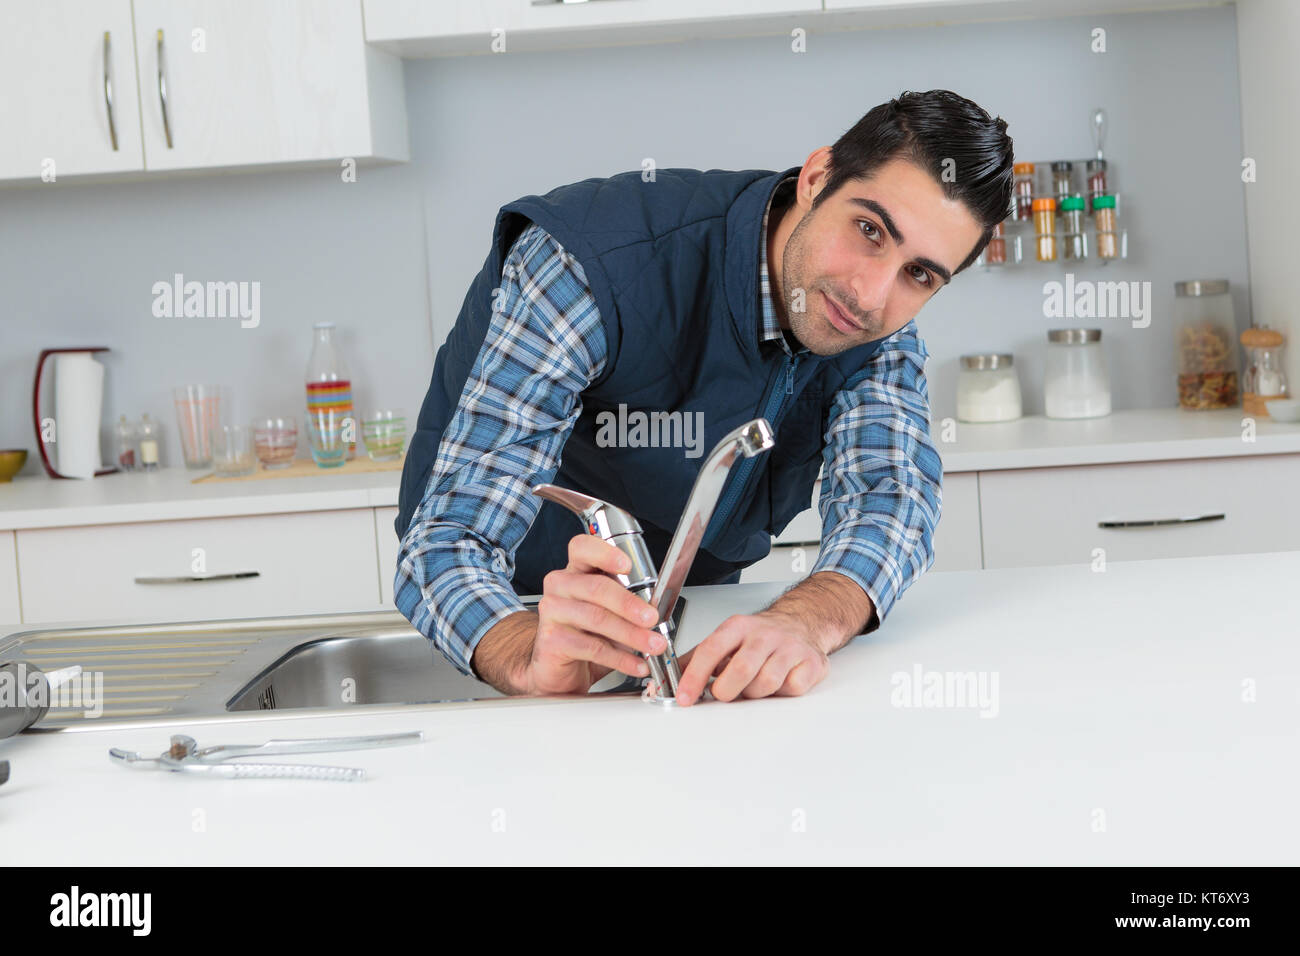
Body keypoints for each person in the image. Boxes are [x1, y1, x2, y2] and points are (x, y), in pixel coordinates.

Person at [395, 89, 1014, 706]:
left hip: (682, 636)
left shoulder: (874, 325)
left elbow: (891, 498)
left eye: (920, 274)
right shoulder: (588, 266)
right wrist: (523, 651)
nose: (872, 293)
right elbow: (445, 542)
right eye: (869, 229)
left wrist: (806, 619)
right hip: (517, 630)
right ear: (818, 177)